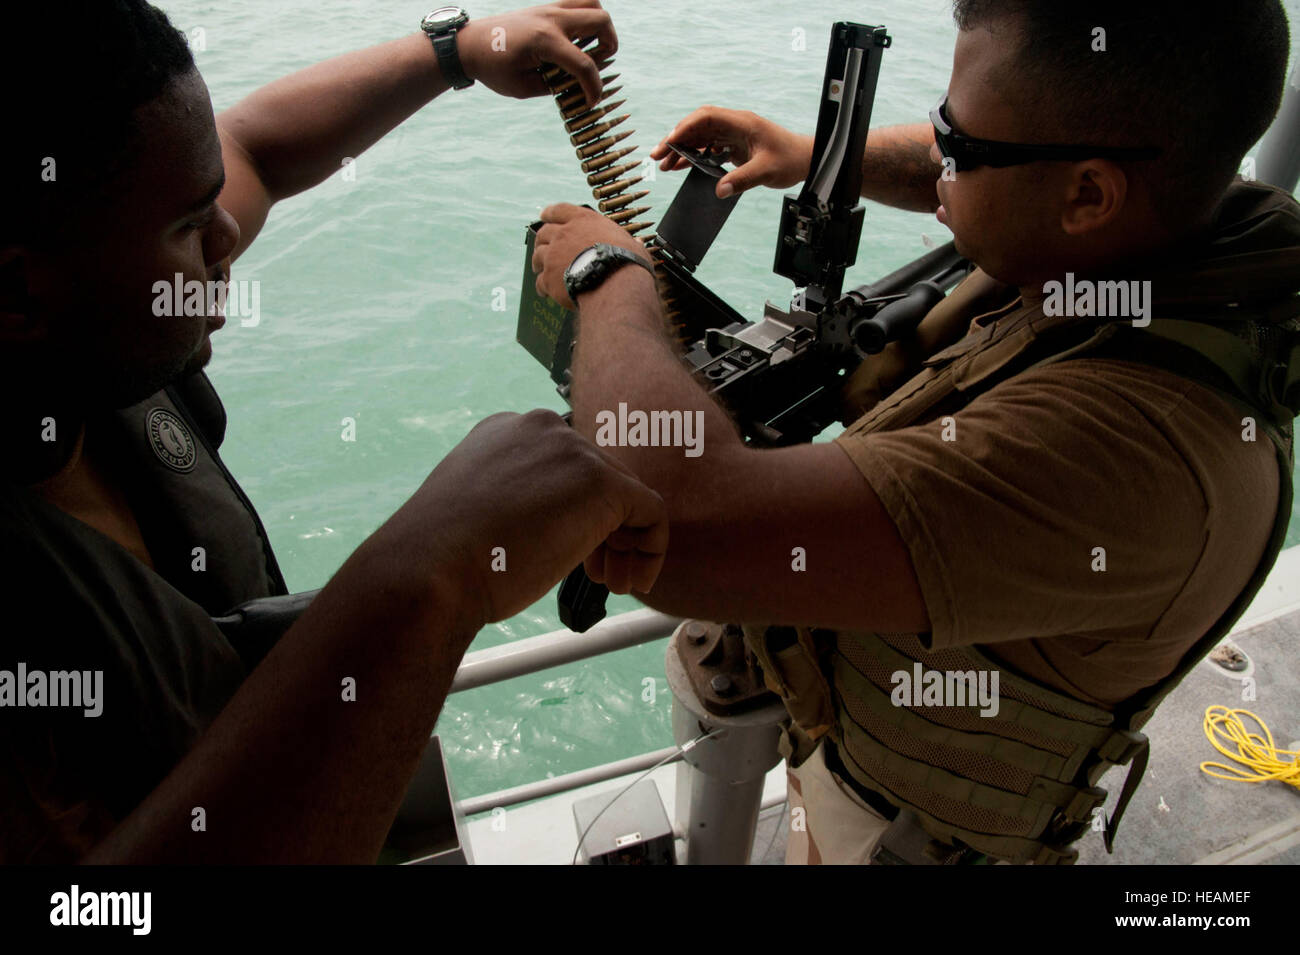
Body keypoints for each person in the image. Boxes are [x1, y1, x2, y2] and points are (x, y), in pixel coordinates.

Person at [533, 0, 1297, 863]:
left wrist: (608, 273)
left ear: (1088, 192)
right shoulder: (1165, 219)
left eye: (959, 143)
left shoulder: (1121, 454)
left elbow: (678, 522)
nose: (941, 153)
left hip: (907, 835)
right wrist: (819, 158)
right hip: (861, 744)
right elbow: (1006, 160)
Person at [0, 0, 669, 864]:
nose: (229, 235)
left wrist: (456, 51)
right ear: (18, 293)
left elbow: (255, 150)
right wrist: (435, 569)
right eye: (187, 227)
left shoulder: (82, 327)